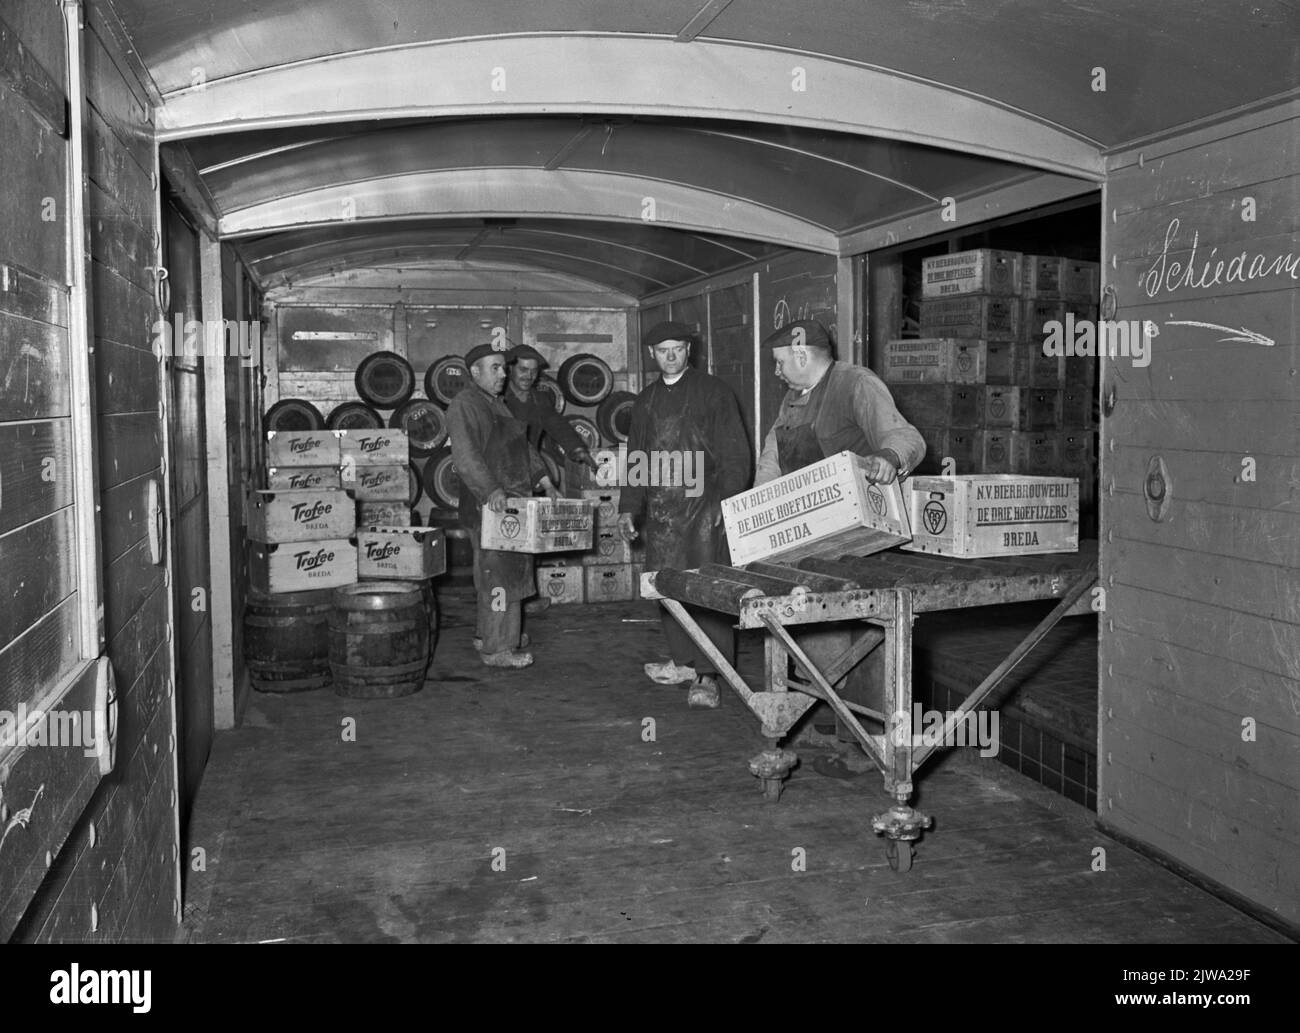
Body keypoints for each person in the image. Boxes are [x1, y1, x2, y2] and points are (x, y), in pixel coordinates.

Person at [756, 319, 926, 775]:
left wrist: (889, 460)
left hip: (862, 542)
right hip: (813, 542)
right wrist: (757, 506)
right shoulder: (792, 399)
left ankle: (869, 743)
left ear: (801, 354)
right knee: (820, 633)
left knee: (869, 638)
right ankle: (832, 723)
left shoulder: (856, 383)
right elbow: (774, 455)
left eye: (778, 363)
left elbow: (907, 438)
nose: (775, 372)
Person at [617, 321, 751, 709]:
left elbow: (735, 455)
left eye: (677, 348)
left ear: (689, 350)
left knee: (707, 594)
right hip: (662, 513)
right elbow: (638, 458)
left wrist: (725, 503)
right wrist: (629, 508)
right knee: (667, 588)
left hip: (703, 509)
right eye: (663, 350)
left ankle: (709, 675)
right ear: (651, 355)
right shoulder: (645, 401)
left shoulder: (714, 393)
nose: (671, 356)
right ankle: (683, 662)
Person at [446, 343, 560, 669]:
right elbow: (466, 458)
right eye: (494, 368)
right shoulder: (465, 404)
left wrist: (547, 483)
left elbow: (523, 449)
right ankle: (498, 649)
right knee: (499, 577)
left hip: (512, 503)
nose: (503, 374)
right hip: (490, 506)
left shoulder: (497, 404)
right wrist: (491, 490)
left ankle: (490, 634)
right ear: (474, 372)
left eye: (503, 368)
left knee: (501, 573)